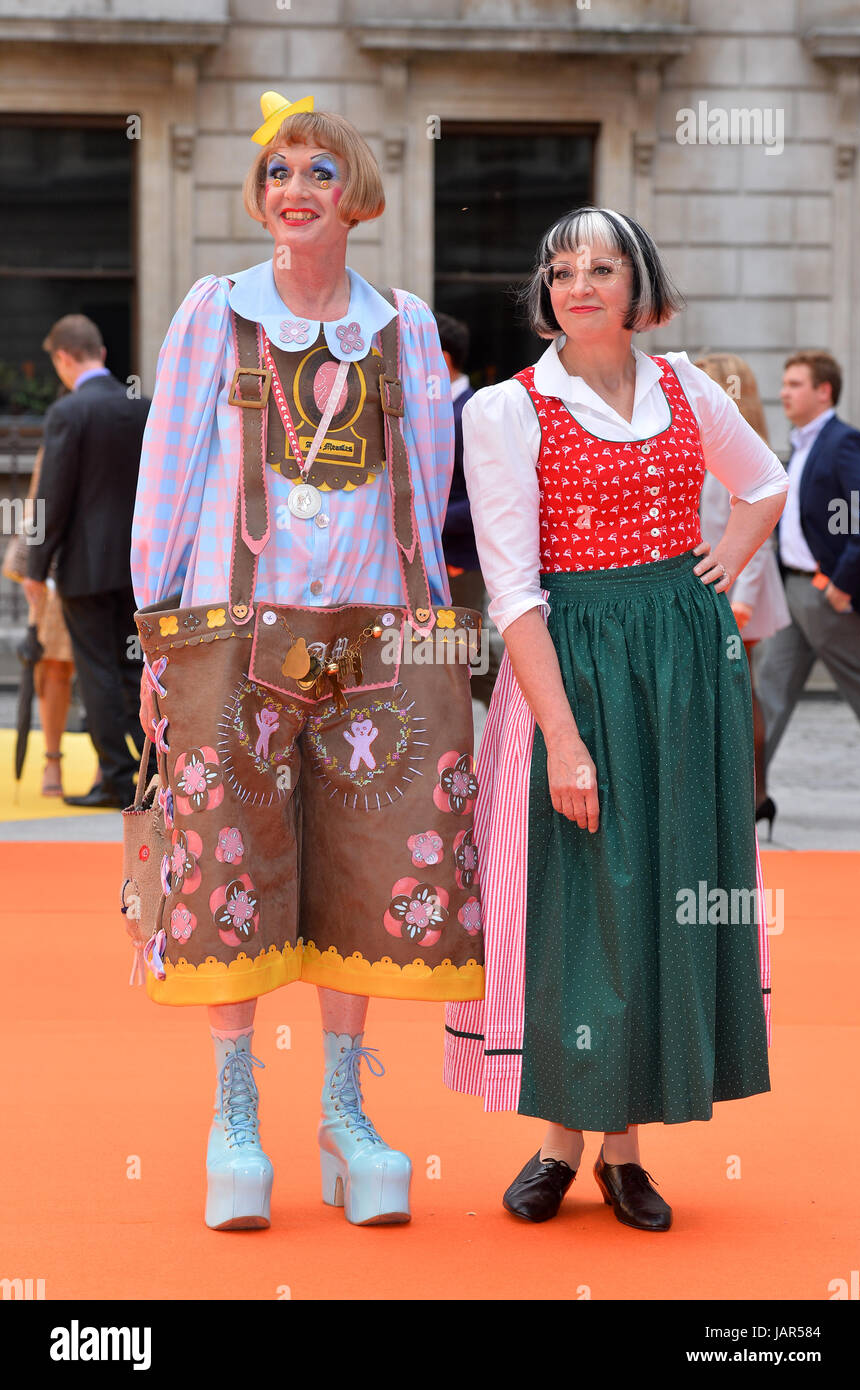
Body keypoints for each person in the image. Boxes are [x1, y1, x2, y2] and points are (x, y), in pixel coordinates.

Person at [131, 91, 483, 1232]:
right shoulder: (210, 313)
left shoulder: (406, 329)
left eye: (319, 173)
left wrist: (430, 627)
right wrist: (154, 626)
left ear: (357, 194)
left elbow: (423, 494)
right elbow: (169, 476)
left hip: (373, 631)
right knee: (228, 859)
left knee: (370, 859)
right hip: (235, 630)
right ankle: (235, 1109)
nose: (296, 191)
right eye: (280, 173)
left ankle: (344, 1106)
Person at [444, 207, 788, 1231]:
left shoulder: (685, 385)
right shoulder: (507, 411)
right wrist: (562, 737)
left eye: (600, 266)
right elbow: (511, 591)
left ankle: (623, 1151)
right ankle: (560, 1136)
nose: (577, 283)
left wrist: (726, 556)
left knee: (666, 892)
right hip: (575, 667)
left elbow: (764, 484)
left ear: (638, 286)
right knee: (578, 898)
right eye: (559, 268)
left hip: (684, 666)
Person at [24, 314, 152, 808]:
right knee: (135, 670)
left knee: (96, 670)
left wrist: (36, 570)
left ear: (62, 357)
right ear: (100, 352)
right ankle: (152, 770)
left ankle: (116, 781)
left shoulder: (68, 413)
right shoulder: (142, 407)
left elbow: (51, 500)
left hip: (83, 568)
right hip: (140, 567)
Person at [754, 350, 860, 775]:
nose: (783, 392)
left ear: (824, 391)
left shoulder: (843, 443)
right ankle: (744, 797)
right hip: (794, 593)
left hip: (825, 592)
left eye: (795, 384)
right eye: (784, 383)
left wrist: (843, 584)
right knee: (770, 693)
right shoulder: (801, 444)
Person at [694, 354, 791, 837]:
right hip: (720, 582)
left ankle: (749, 797)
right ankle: (749, 796)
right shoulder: (722, 436)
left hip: (734, 587)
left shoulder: (733, 441)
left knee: (737, 691)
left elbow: (759, 525)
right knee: (734, 691)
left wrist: (744, 596)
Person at [435, 310, 500, 705]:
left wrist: (426, 522)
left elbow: (486, 496)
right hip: (440, 555)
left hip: (461, 557)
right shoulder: (435, 409)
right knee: (448, 657)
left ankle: (532, 726)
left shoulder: (472, 413)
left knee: (465, 657)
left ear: (441, 359)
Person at [4, 446, 76, 797]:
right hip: (55, 566)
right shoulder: (57, 438)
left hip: (108, 565)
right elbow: (37, 504)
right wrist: (31, 566)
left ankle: (109, 766)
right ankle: (52, 759)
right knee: (51, 667)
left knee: (110, 670)